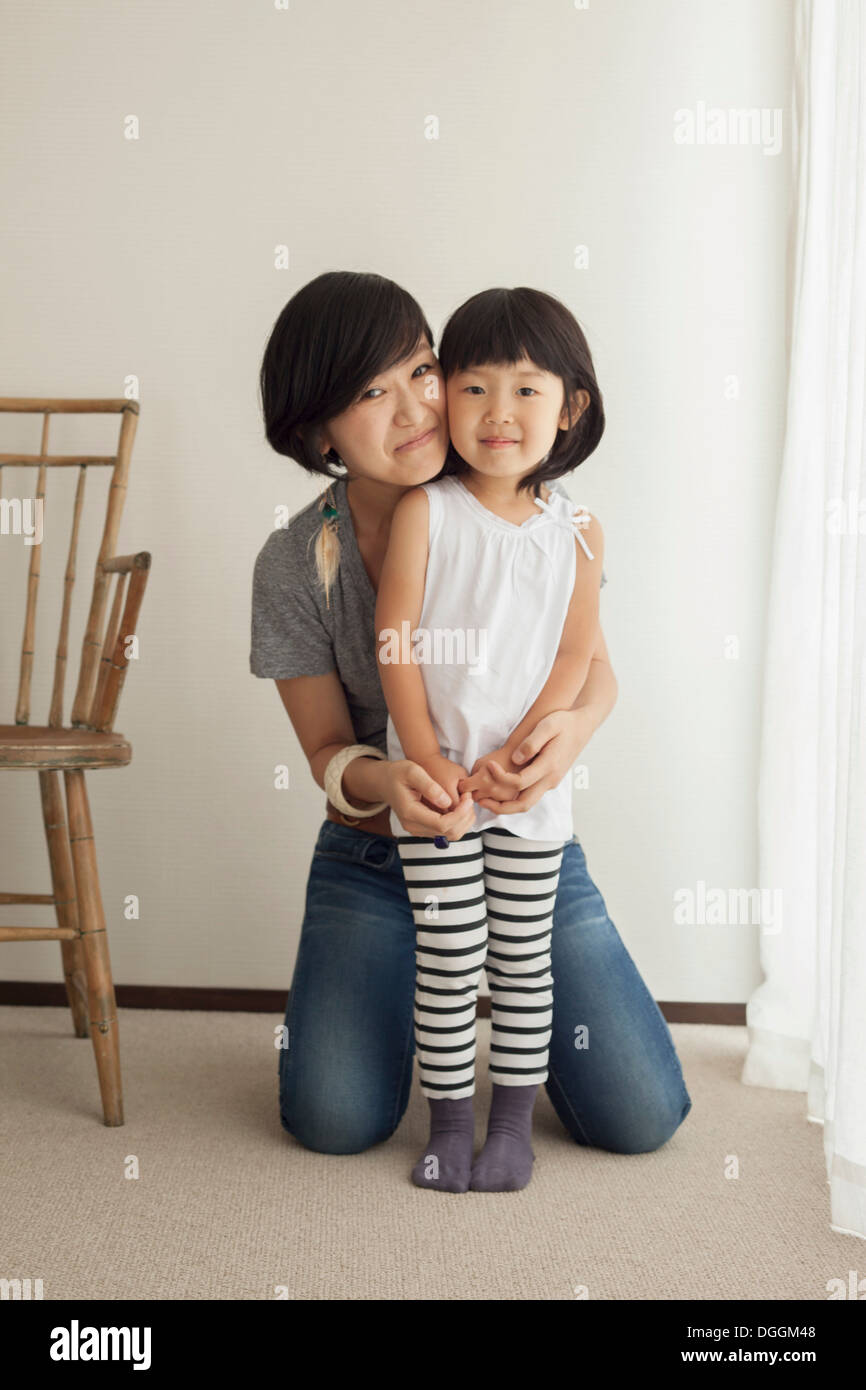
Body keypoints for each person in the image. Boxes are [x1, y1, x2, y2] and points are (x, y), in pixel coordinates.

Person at [251, 270, 691, 1168]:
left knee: (641, 1114)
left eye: (420, 370)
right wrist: (402, 777)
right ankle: (427, 1060)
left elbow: (592, 664)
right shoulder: (297, 560)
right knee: (334, 1119)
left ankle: (509, 1110)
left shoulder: (504, 480)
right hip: (378, 848)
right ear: (315, 430)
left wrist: (571, 730)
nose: (415, 408)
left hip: (521, 831)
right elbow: (328, 751)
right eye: (370, 393)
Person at [377, 286, 610, 1192]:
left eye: (525, 391)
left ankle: (510, 1128)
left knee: (522, 961)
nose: (499, 414)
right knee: (448, 962)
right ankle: (446, 1125)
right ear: (447, 401)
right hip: (438, 793)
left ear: (570, 407)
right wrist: (430, 758)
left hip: (525, 794)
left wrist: (519, 758)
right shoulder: (427, 512)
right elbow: (395, 640)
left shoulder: (579, 531)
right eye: (473, 389)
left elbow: (577, 654)